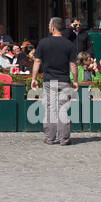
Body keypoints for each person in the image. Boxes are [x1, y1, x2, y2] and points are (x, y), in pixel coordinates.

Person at [33, 17, 78, 145]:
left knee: (50, 109)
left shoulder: (43, 43)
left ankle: (50, 138)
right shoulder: (69, 44)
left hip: (49, 80)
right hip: (64, 80)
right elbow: (73, 65)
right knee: (63, 109)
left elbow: (37, 61)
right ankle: (64, 139)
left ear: (52, 27)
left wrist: (34, 78)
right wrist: (75, 80)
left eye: (49, 25)